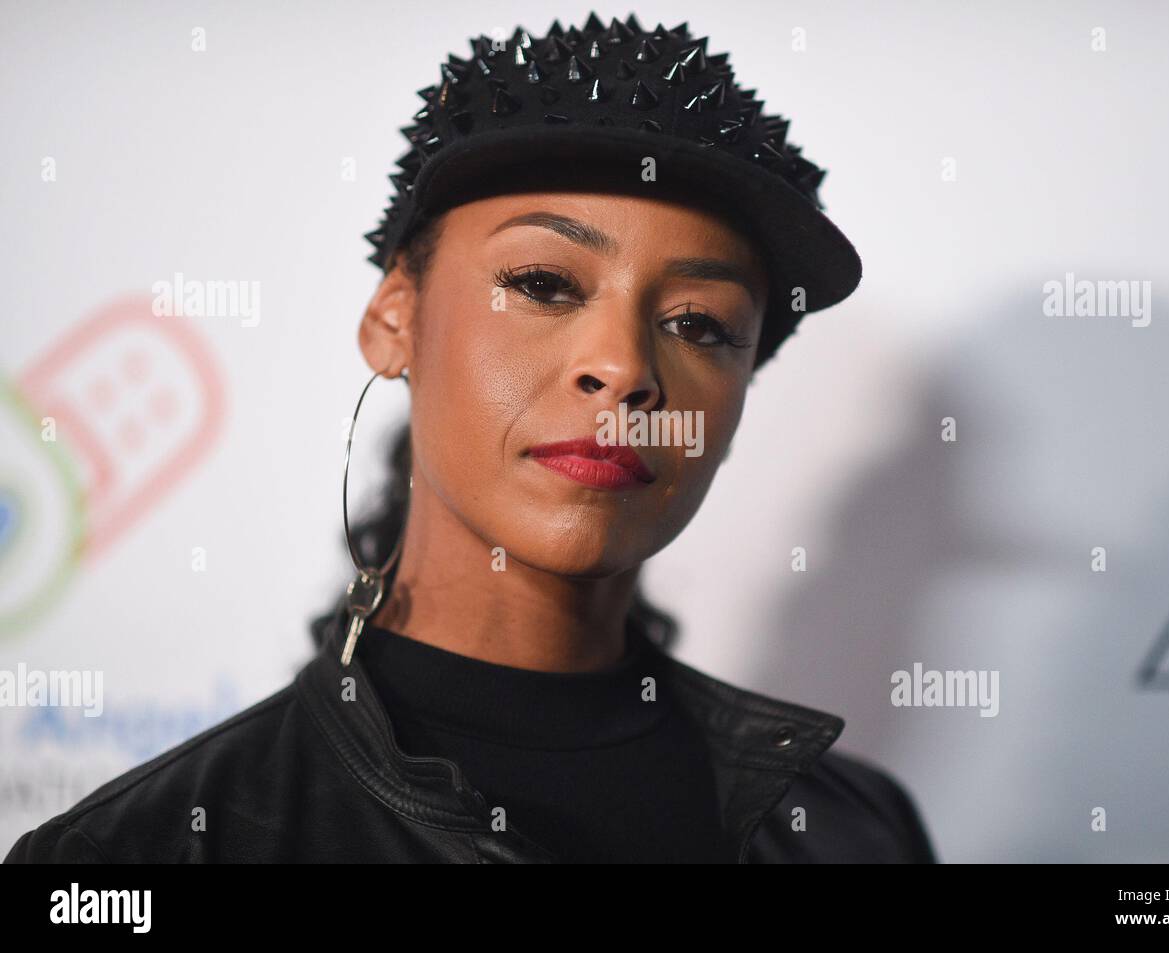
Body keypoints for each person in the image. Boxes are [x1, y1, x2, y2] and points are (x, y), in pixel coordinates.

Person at [5, 13, 936, 863]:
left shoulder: (860, 831)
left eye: (698, 324)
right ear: (394, 319)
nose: (623, 368)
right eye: (542, 282)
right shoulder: (136, 854)